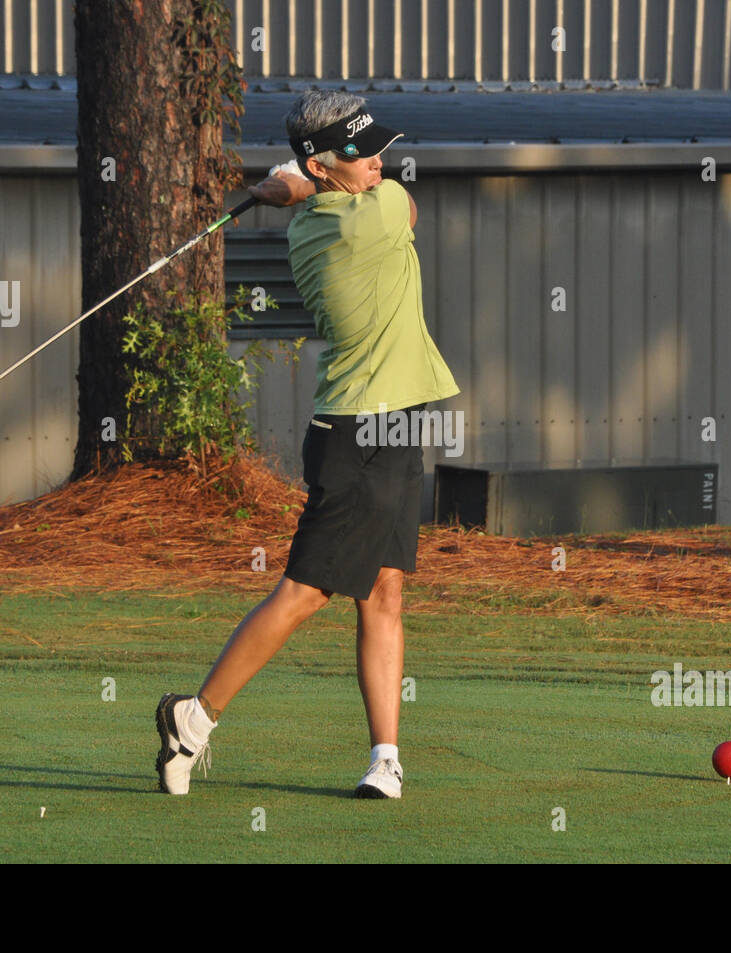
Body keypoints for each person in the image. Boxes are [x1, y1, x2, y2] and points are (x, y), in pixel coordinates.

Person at [156, 90, 460, 799]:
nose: (379, 162)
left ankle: (385, 757)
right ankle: (192, 720)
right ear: (324, 169)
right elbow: (407, 208)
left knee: (385, 591)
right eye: (362, 155)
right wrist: (289, 181)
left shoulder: (316, 216)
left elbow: (315, 181)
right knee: (305, 591)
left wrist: (288, 183)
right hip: (357, 435)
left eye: (378, 145)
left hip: (394, 425)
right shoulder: (366, 222)